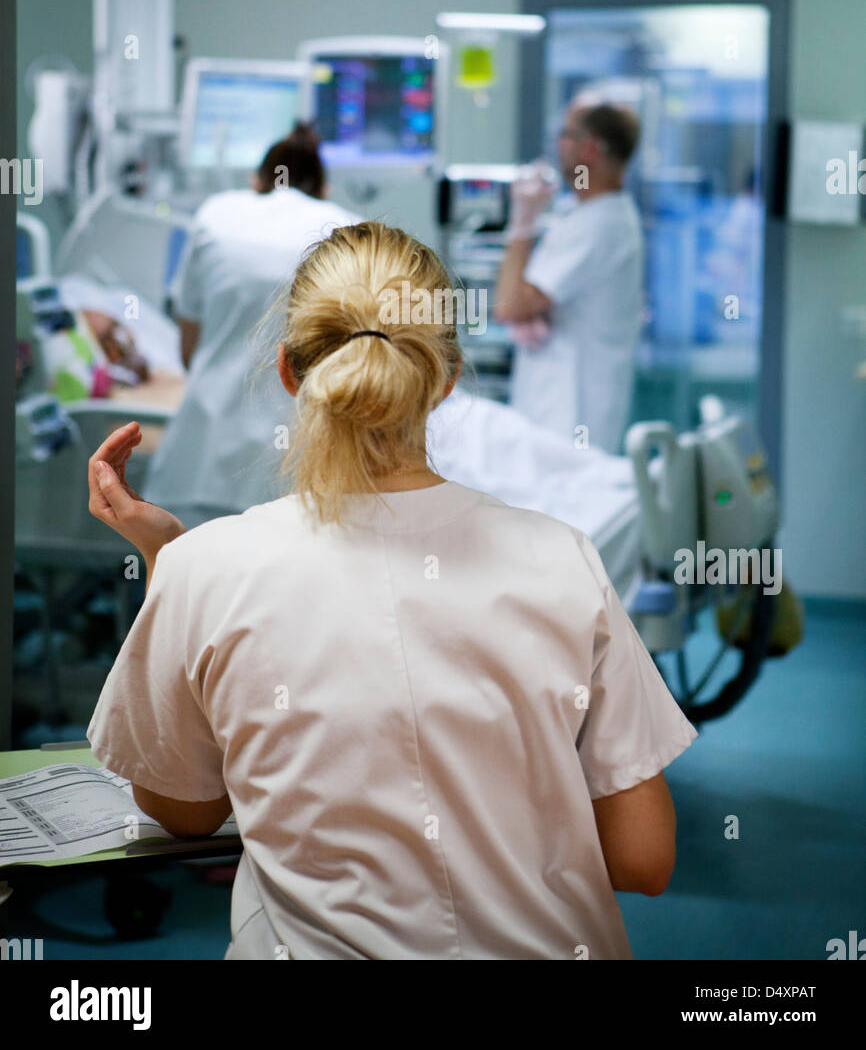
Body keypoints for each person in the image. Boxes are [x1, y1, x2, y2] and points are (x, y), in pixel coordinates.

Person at [86, 219, 697, 961]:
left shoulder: (209, 569)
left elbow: (184, 809)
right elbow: (643, 858)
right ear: (442, 381)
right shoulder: (564, 560)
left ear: (288, 372)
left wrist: (171, 569)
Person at [143, 123, 358, 528]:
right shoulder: (345, 228)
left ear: (255, 180)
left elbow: (189, 348)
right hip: (297, 478)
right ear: (324, 188)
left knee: (184, 587)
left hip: (197, 469)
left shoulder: (217, 214)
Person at [495, 101, 644, 454]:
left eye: (565, 135)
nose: (558, 145)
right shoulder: (583, 215)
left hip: (569, 421)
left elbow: (510, 306)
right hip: (555, 411)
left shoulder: (599, 225)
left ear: (589, 148)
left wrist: (522, 222)